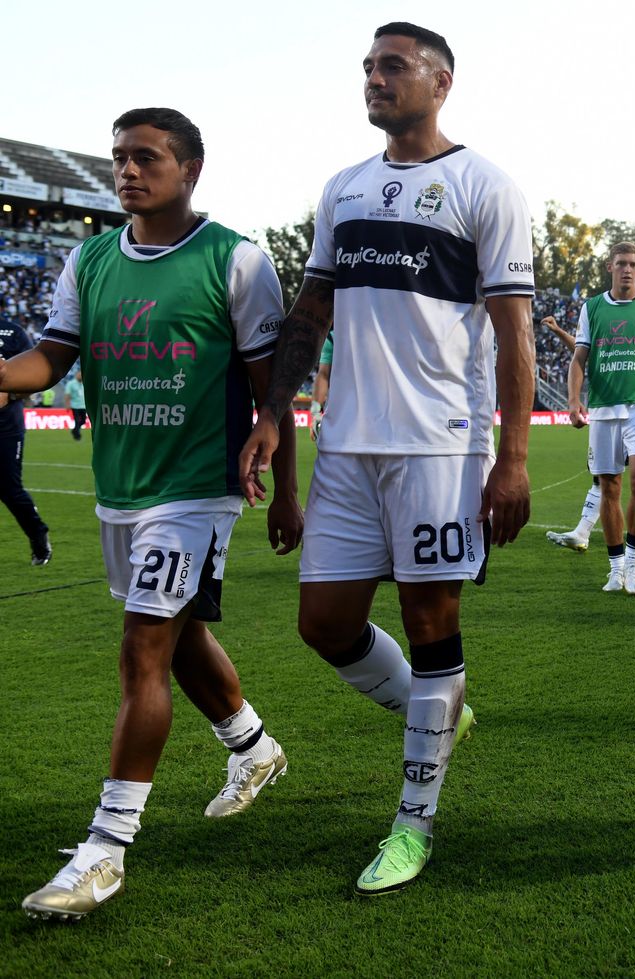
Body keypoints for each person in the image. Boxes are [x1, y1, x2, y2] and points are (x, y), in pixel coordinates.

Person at [238, 22, 535, 896]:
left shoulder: (486, 185)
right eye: (368, 67)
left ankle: (414, 825)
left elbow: (516, 331)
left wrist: (512, 456)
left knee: (430, 623)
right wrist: (271, 412)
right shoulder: (343, 188)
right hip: (346, 446)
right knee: (323, 623)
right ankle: (436, 713)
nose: (374, 79)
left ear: (440, 82)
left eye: (392, 67)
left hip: (440, 445)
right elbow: (311, 312)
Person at [3, 107, 302, 921]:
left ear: (190, 169)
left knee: (143, 644)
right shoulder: (90, 259)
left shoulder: (235, 260)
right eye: (119, 158)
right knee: (179, 636)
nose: (127, 171)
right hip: (121, 487)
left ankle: (105, 849)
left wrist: (290, 494)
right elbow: (49, 360)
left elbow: (272, 388)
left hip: (198, 487)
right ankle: (255, 747)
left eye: (146, 158)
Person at [559, 243, 635, 594]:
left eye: (633, 265)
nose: (627, 269)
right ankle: (615, 570)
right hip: (601, 409)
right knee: (608, 489)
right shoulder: (592, 308)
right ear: (609, 267)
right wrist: (572, 401)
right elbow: (579, 359)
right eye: (621, 264)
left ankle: (633, 561)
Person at [542, 313, 635, 553]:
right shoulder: (613, 335)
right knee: (602, 477)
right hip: (611, 410)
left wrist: (631, 385)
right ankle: (582, 532)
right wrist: (559, 331)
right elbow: (584, 351)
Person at [0, 314, 51, 565]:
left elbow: (34, 374)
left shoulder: (13, 333)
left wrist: (9, 394)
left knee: (9, 489)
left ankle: (38, 534)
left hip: (6, 426)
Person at [64, 368, 87, 441]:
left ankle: (74, 430)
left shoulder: (84, 383)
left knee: (83, 421)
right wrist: (67, 405)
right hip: (75, 406)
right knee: (77, 421)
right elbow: (67, 395)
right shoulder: (71, 384)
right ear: (76, 375)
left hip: (83, 406)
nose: (81, 376)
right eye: (80, 374)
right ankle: (77, 436)